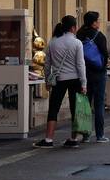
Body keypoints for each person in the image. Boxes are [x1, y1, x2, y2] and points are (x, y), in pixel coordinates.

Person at [36, 15, 86, 148]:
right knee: (75, 109)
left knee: (53, 108)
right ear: (73, 28)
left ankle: (48, 139)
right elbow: (80, 65)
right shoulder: (77, 43)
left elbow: (47, 64)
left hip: (59, 79)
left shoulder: (53, 42)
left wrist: (47, 80)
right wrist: (84, 83)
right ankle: (73, 138)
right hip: (75, 79)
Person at [76, 11, 110, 143]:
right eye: (98, 20)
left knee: (85, 104)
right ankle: (100, 135)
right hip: (98, 74)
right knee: (99, 103)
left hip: (84, 74)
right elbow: (105, 55)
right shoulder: (99, 36)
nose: (99, 22)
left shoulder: (79, 35)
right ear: (94, 22)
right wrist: (102, 67)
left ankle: (85, 135)